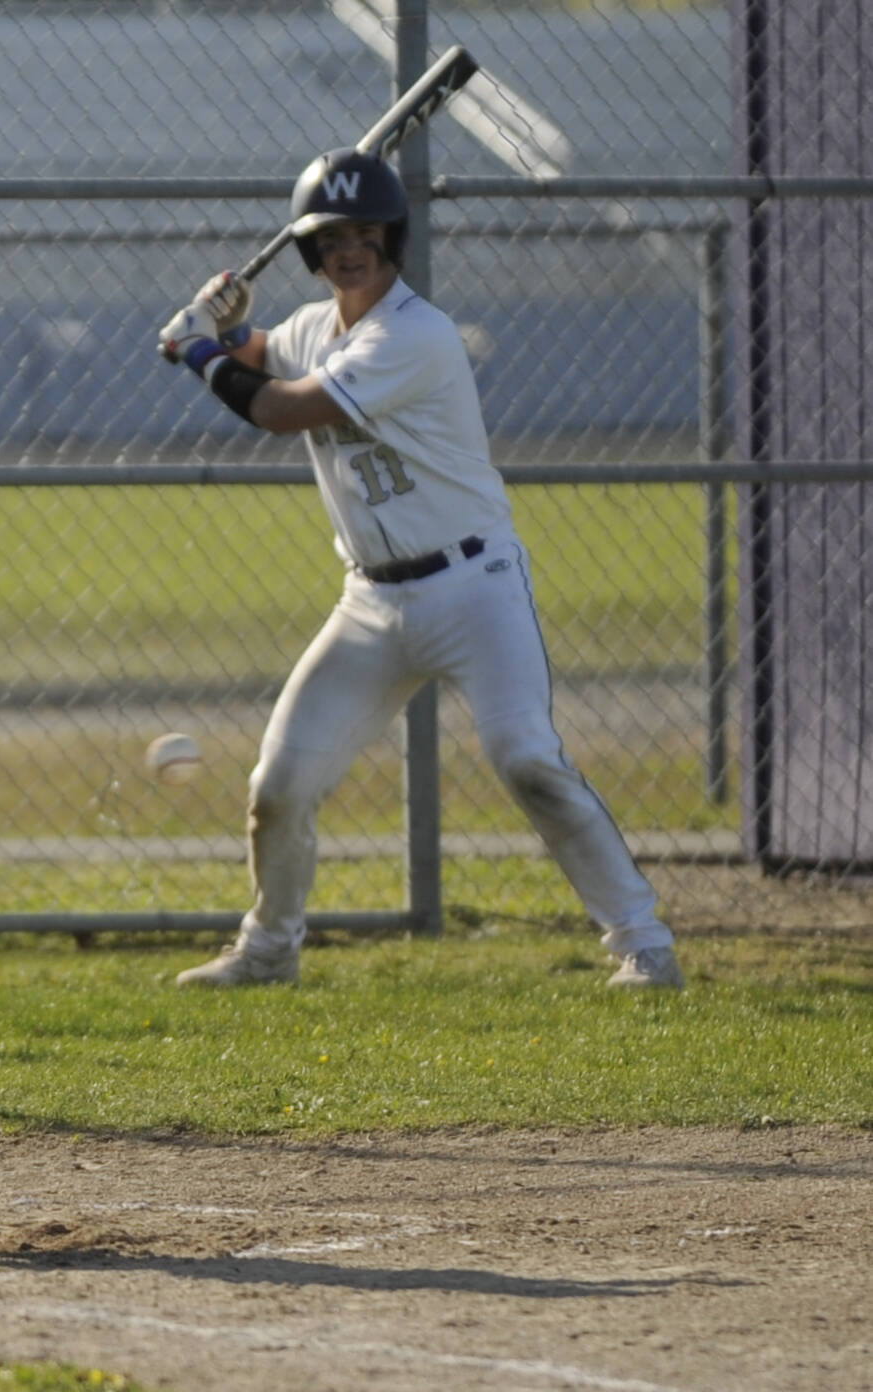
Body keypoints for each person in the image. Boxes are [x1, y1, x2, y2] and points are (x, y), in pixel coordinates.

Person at [156, 147, 683, 992]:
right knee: (278, 786)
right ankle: (269, 949)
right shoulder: (310, 328)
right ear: (311, 251)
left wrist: (194, 352)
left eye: (365, 233)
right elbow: (259, 353)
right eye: (332, 238)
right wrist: (218, 326)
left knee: (526, 759)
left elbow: (282, 409)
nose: (349, 251)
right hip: (369, 601)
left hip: (473, 587)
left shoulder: (414, 334)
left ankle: (642, 943)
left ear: (393, 239)